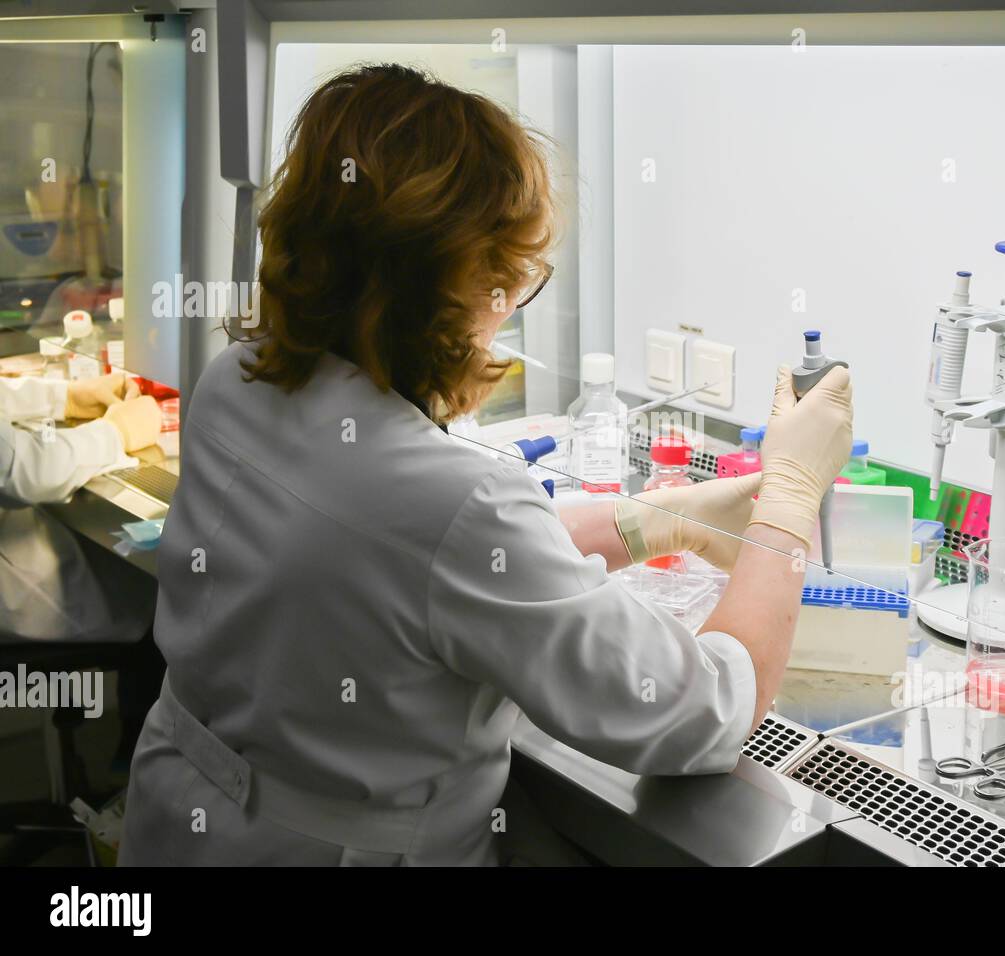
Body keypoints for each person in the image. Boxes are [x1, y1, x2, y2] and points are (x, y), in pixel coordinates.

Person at [119, 65, 853, 866]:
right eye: (503, 282)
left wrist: (657, 523)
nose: (504, 310)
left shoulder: (238, 381)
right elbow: (703, 711)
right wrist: (788, 497)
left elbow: (422, 559)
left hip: (178, 815)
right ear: (446, 286)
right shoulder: (447, 500)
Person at [0, 372, 161, 641]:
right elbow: (25, 469)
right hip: (17, 589)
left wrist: (65, 399)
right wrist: (116, 432)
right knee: (158, 599)